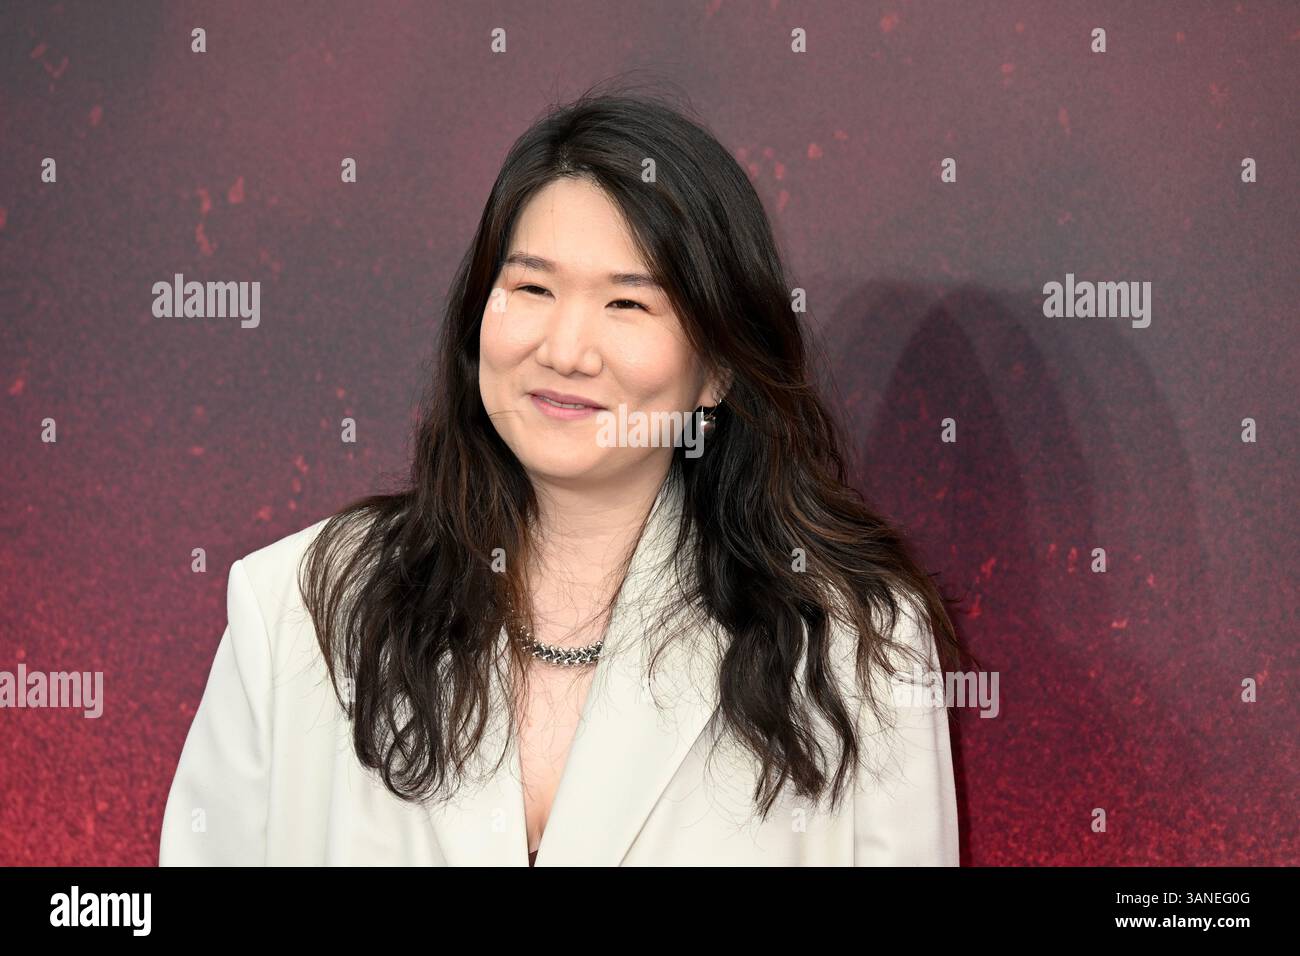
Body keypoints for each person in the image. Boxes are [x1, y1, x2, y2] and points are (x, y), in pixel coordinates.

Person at [159, 84, 962, 866]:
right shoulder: (302, 606)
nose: (566, 350)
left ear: (717, 367)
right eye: (533, 288)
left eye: (627, 305)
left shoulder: (857, 645)